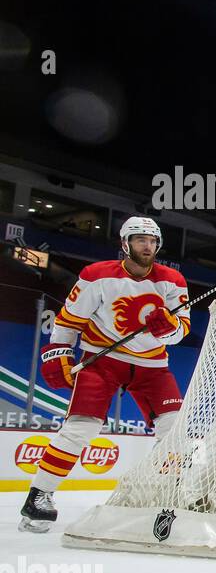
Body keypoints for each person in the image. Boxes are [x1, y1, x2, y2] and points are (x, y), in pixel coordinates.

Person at [20, 217, 190, 533]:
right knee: (81, 428)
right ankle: (39, 496)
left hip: (153, 366)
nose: (147, 246)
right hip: (103, 360)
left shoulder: (172, 280)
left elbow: (181, 331)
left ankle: (168, 498)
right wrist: (59, 352)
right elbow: (70, 320)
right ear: (125, 244)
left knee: (175, 429)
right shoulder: (96, 276)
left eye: (153, 241)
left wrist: (169, 330)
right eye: (140, 240)